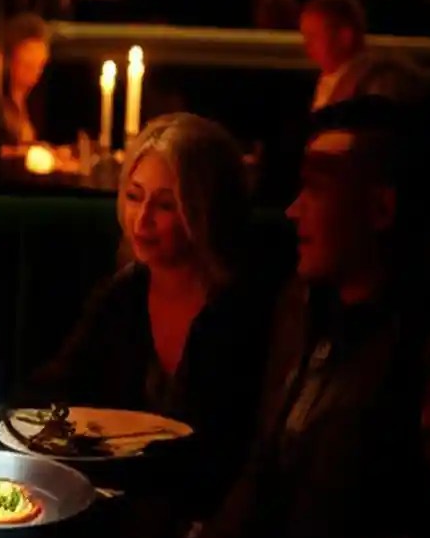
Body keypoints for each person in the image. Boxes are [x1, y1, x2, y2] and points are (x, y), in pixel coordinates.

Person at [197, 97, 430, 538]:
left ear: (380, 208)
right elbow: (264, 465)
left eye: (318, 190)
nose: (294, 211)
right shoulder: (300, 307)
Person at [22, 113, 271, 501]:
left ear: (207, 211)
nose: (143, 219)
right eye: (135, 196)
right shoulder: (124, 294)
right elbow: (57, 384)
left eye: (167, 205)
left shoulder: (248, 309)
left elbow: (252, 453)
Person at [300, 0, 422, 111]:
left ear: (344, 37)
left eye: (313, 37)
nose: (307, 45)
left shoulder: (379, 81)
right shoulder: (328, 80)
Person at [0, 13, 50, 149]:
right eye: (28, 65)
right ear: (8, 62)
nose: (36, 72)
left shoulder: (33, 100)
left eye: (40, 65)